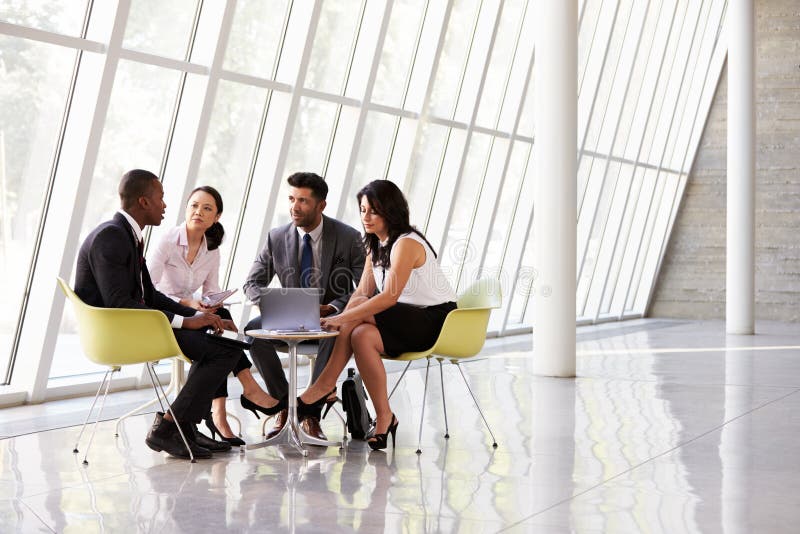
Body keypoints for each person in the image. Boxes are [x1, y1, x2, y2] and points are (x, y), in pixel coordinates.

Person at [74, 169, 285, 459]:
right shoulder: (112, 237)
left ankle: (183, 427)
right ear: (144, 202)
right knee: (221, 350)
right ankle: (172, 427)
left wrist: (197, 316)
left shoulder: (127, 236)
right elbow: (119, 301)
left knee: (222, 338)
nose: (165, 205)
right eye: (161, 198)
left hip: (138, 324)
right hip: (121, 333)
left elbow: (150, 294)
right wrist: (187, 319)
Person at [297, 179, 457, 450]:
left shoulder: (406, 243)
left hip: (435, 321)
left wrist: (339, 319)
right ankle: (385, 417)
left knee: (355, 319)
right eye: (362, 210)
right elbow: (362, 292)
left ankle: (324, 384)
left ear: (390, 211)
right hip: (400, 319)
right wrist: (347, 317)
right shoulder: (374, 244)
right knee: (361, 335)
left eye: (373, 210)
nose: (366, 217)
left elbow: (389, 297)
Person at [243, 172, 365, 440]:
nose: (294, 207)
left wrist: (333, 307)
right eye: (291, 199)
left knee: (335, 330)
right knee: (252, 333)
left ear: (321, 205)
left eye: (303, 201)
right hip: (289, 317)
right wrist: (276, 303)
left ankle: (311, 412)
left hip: (329, 319)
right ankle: (286, 405)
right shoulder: (276, 237)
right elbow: (251, 283)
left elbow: (364, 288)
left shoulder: (348, 237)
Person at [148, 185, 262, 446]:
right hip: (166, 316)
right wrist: (189, 302)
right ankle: (244, 391)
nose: (198, 212)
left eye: (207, 208)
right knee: (222, 341)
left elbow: (211, 291)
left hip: (194, 314)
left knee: (221, 319)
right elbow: (149, 290)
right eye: (194, 206)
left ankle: (220, 413)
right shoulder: (168, 241)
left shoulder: (212, 249)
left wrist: (211, 304)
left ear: (216, 217)